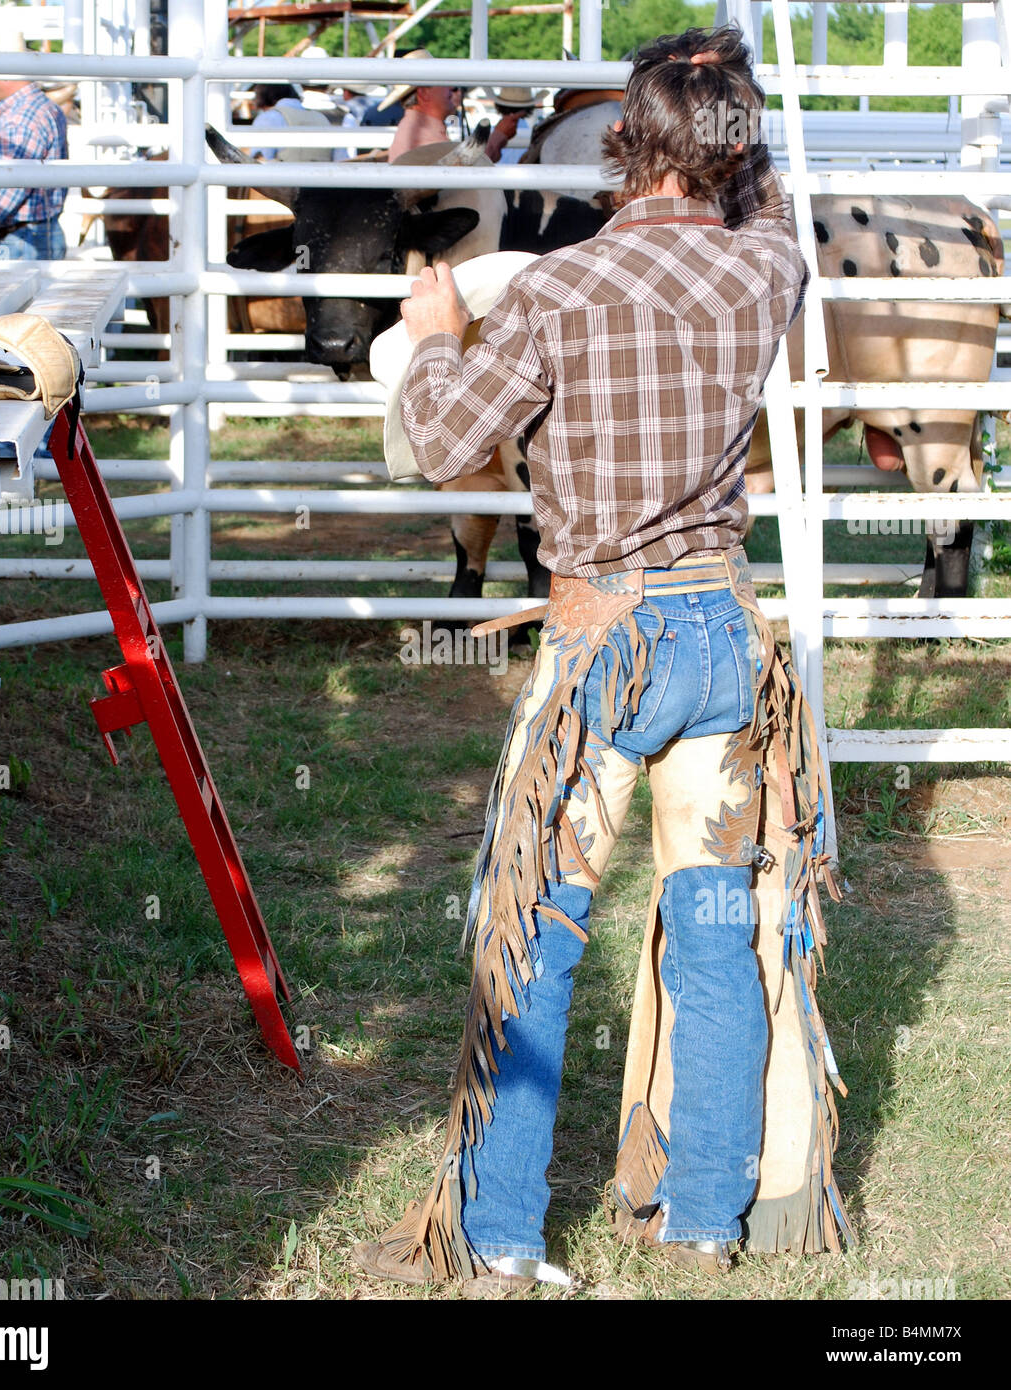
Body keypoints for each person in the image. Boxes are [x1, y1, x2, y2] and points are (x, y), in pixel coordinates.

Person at [353, 25, 848, 1292]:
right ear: (733, 156)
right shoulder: (764, 272)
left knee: (538, 925)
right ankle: (706, 1213)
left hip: (598, 643)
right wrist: (734, 121)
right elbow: (771, 192)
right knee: (715, 924)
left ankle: (508, 1231)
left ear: (625, 147)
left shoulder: (555, 291)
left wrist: (437, 334)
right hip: (723, 640)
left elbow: (441, 445)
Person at [0, 77, 69, 260]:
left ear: (5, 75)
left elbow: (10, 188)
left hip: (24, 240)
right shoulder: (43, 106)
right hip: (39, 232)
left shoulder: (20, 118)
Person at [382, 50, 462, 161]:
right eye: (441, 81)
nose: (451, 87)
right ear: (424, 93)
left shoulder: (414, 130)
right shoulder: (425, 138)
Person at [249, 81, 333, 162]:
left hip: (285, 175)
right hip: (322, 175)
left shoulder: (268, 117)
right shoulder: (321, 118)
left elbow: (260, 161)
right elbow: (341, 159)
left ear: (263, 99)